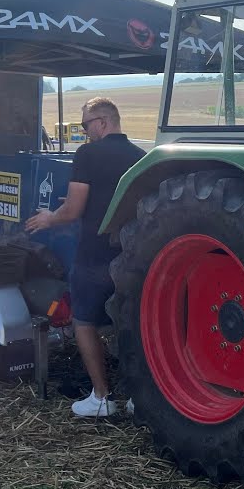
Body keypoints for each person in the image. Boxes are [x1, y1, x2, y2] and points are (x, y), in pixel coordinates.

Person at [25, 97, 144, 418]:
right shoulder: (140, 156)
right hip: (132, 255)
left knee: (84, 321)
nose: (84, 131)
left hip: (94, 254)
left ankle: (102, 398)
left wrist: (50, 217)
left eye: (86, 125)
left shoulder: (88, 154)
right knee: (130, 323)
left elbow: (74, 209)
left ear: (103, 122)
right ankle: (138, 397)